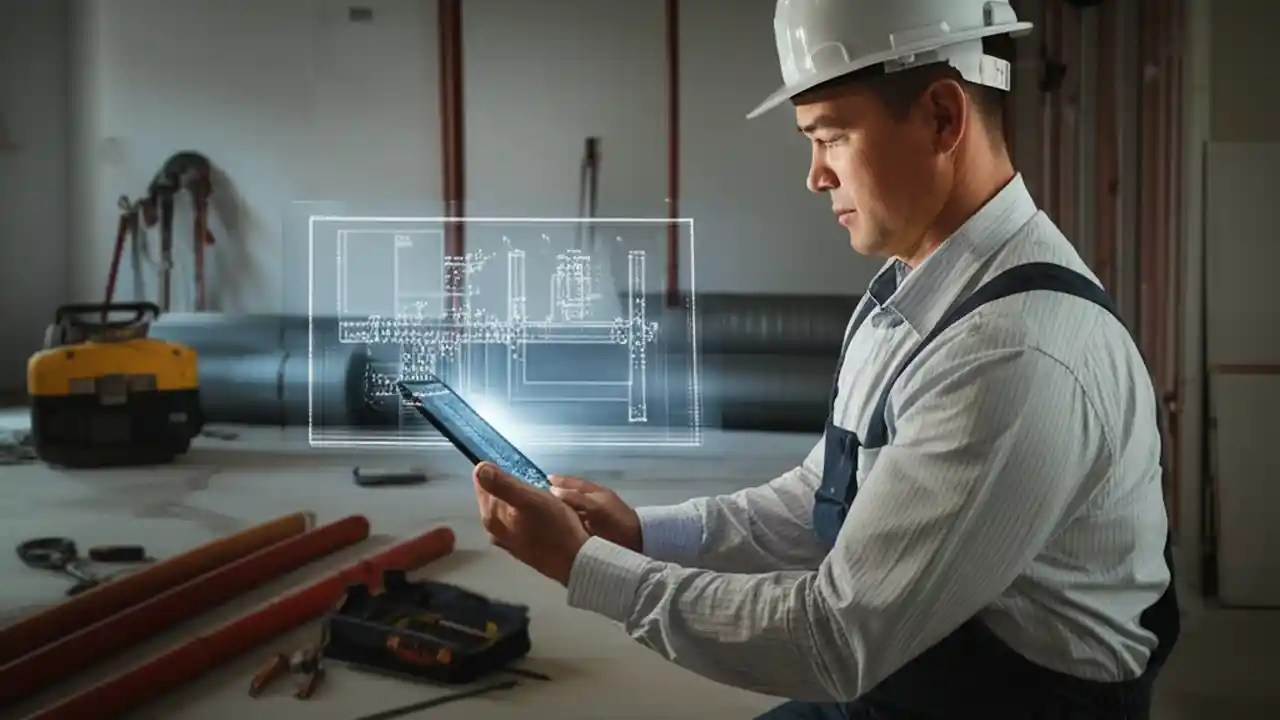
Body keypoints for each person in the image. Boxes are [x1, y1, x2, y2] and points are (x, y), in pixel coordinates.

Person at [470, 1, 1180, 717]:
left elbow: (832, 641)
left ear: (942, 117)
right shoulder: (907, 297)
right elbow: (822, 499)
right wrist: (646, 534)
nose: (815, 176)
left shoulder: (1012, 355)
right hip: (906, 675)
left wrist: (586, 568)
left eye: (832, 137)